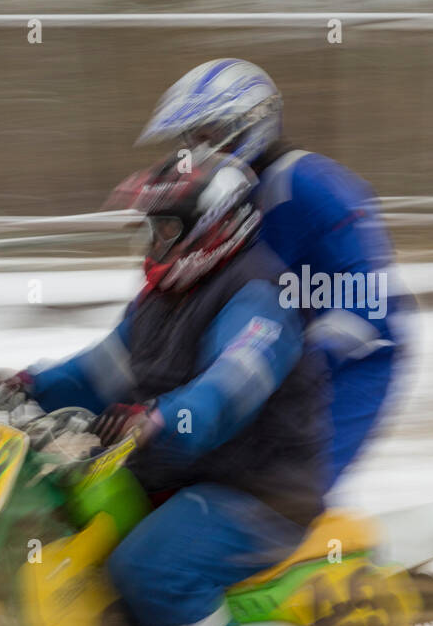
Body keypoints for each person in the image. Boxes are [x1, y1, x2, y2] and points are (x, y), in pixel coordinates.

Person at [0, 151, 328, 626]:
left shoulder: (261, 294)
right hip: (181, 475)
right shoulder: (163, 299)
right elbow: (101, 369)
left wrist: (162, 418)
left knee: (148, 567)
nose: (155, 243)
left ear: (213, 226)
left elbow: (232, 385)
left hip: (258, 491)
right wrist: (30, 384)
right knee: (61, 523)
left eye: (167, 228)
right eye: (153, 229)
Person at [135, 58, 412, 488]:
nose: (197, 154)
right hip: (269, 345)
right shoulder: (224, 192)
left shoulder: (312, 184)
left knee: (286, 486)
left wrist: (293, 354)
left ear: (249, 127)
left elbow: (371, 299)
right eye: (192, 140)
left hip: (353, 363)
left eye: (208, 137)